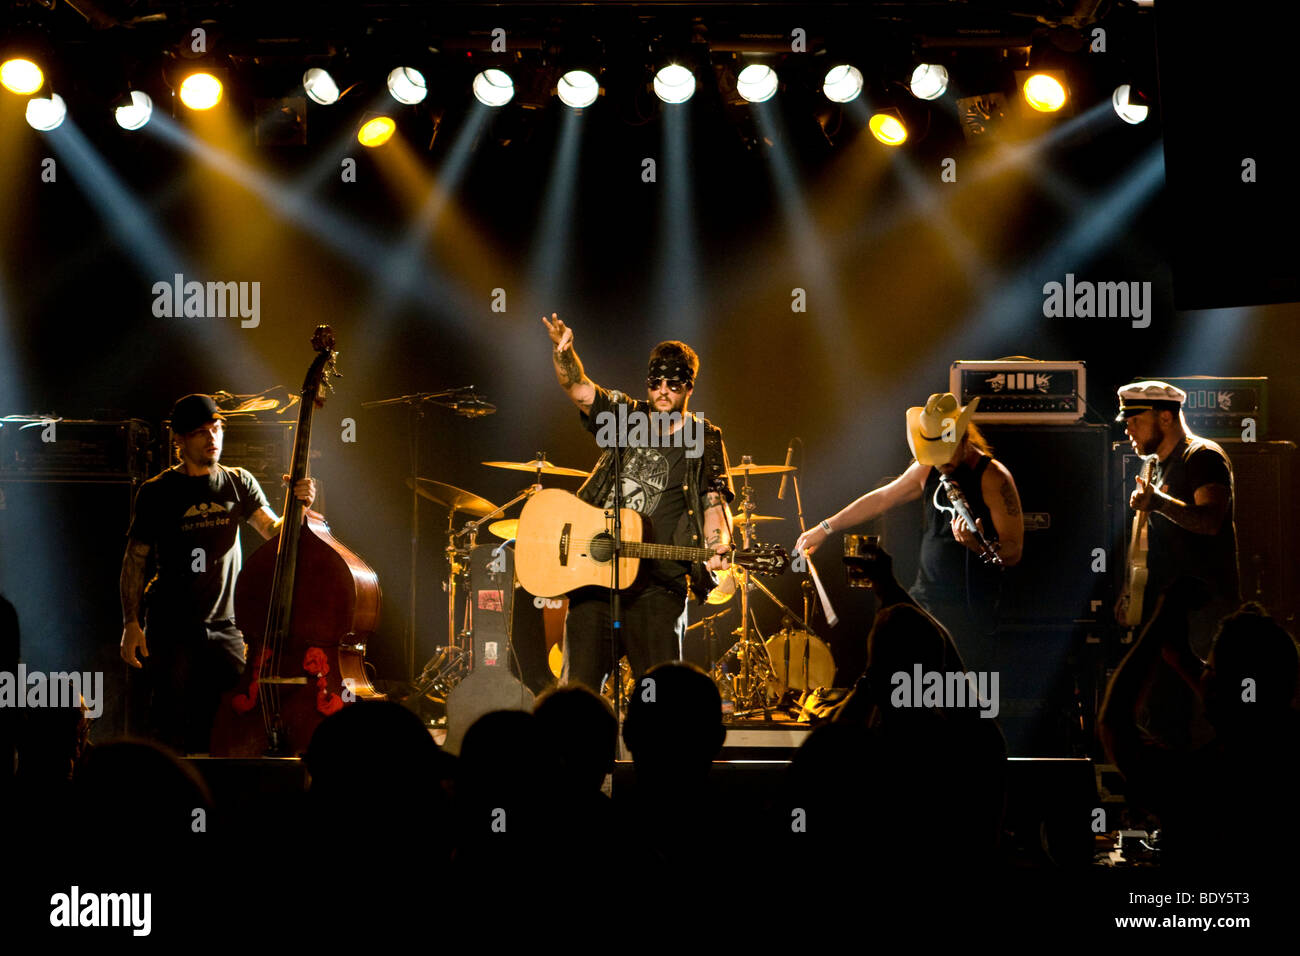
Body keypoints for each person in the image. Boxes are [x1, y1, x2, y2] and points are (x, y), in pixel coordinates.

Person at [541, 313, 734, 692]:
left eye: (673, 384)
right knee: (576, 696)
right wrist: (565, 352)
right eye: (656, 382)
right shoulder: (626, 417)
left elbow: (714, 500)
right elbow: (579, 389)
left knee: (661, 701)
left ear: (689, 387)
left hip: (658, 584)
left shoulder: (703, 437)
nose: (663, 390)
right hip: (599, 578)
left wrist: (718, 544)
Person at [118, 393, 315, 754]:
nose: (213, 439)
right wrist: (131, 623)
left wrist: (298, 503)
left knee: (230, 718)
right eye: (201, 432)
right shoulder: (158, 491)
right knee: (170, 725)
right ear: (178, 439)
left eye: (217, 429)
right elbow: (135, 558)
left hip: (227, 627)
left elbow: (274, 531)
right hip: (171, 625)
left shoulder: (238, 482)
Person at [794, 392, 1023, 674]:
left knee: (960, 699)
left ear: (963, 438)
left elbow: (1013, 551)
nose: (940, 462)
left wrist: (978, 546)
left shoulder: (993, 477)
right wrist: (825, 527)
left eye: (946, 453)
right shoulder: (928, 469)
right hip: (926, 600)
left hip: (970, 611)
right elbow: (882, 499)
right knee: (906, 684)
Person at [1115, 380, 1239, 660]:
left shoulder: (1202, 457)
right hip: (1172, 611)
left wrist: (1159, 502)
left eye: (1135, 420)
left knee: (1203, 698)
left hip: (1205, 610)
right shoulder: (1155, 465)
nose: (1127, 429)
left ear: (1166, 417)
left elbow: (1210, 522)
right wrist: (1130, 587)